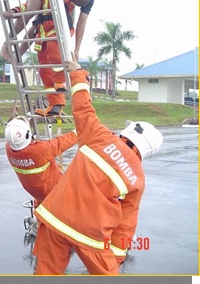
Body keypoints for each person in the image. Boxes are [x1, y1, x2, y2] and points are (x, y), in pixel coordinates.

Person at [33, 60, 163, 275]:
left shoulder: (98, 135)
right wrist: (117, 257)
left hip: (55, 219)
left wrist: (78, 73)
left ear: (126, 133)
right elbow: (126, 223)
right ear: (145, 152)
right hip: (91, 236)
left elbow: (82, 105)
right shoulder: (138, 178)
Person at [3, 0, 95, 117]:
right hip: (42, 30)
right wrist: (14, 11)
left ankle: (60, 83)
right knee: (44, 69)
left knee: (55, 57)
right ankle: (55, 104)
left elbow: (81, 22)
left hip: (58, 28)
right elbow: (29, 7)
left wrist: (77, 48)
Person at [4, 116, 78, 206]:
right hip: (56, 192)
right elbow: (62, 142)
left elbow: (15, 138)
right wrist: (80, 129)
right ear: (27, 134)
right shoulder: (39, 150)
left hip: (39, 196)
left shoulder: (9, 150)